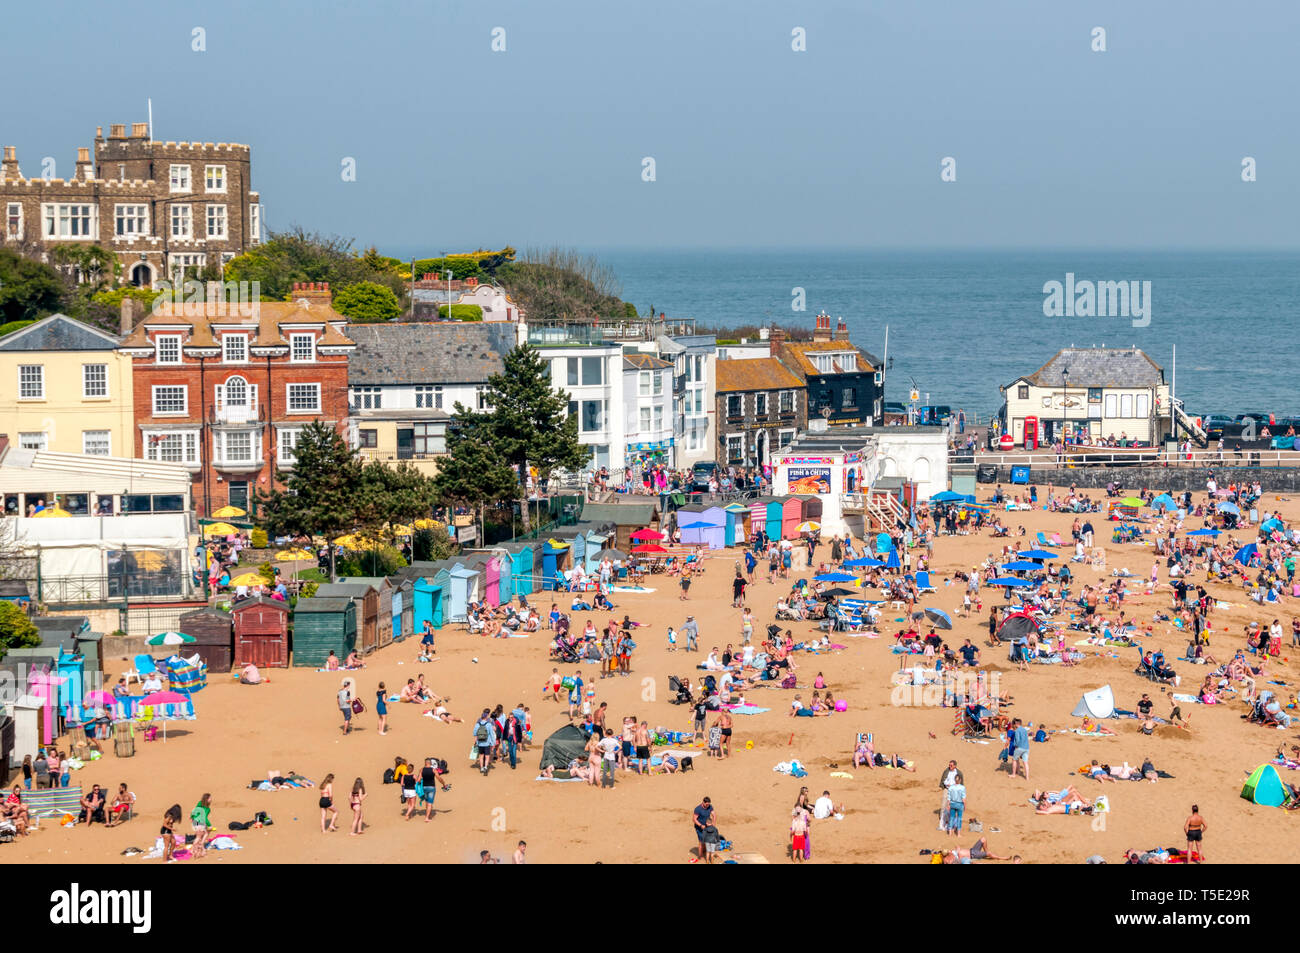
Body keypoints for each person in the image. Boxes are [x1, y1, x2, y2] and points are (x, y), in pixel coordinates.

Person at [693, 796, 716, 863]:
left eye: (708, 804)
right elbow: (694, 819)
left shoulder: (710, 807)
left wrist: (713, 824)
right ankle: (700, 856)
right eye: (706, 804)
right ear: (703, 802)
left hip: (707, 827)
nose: (707, 805)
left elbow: (714, 815)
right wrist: (700, 825)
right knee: (701, 841)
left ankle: (705, 851)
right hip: (699, 828)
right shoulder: (698, 809)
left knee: (706, 840)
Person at [190, 793, 212, 857]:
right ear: (207, 799)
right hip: (200, 822)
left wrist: (192, 817)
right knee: (199, 837)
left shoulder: (200, 803)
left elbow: (195, 810)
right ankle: (193, 850)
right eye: (210, 798)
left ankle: (201, 845)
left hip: (195, 822)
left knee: (206, 833)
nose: (211, 799)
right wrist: (210, 825)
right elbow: (205, 818)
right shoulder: (207, 809)